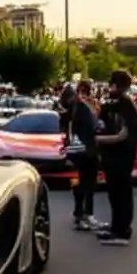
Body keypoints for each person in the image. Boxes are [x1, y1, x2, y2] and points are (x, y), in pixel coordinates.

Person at [95, 70, 137, 246]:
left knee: (120, 193)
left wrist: (99, 140)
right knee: (115, 194)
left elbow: (123, 135)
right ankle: (116, 226)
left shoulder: (125, 106)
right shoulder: (118, 104)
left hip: (120, 157)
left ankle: (121, 231)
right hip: (114, 157)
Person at [60, 85, 100, 231]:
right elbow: (91, 128)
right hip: (87, 151)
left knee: (83, 184)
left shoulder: (73, 111)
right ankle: (84, 214)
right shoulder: (81, 108)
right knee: (87, 184)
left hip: (80, 151)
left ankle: (83, 214)